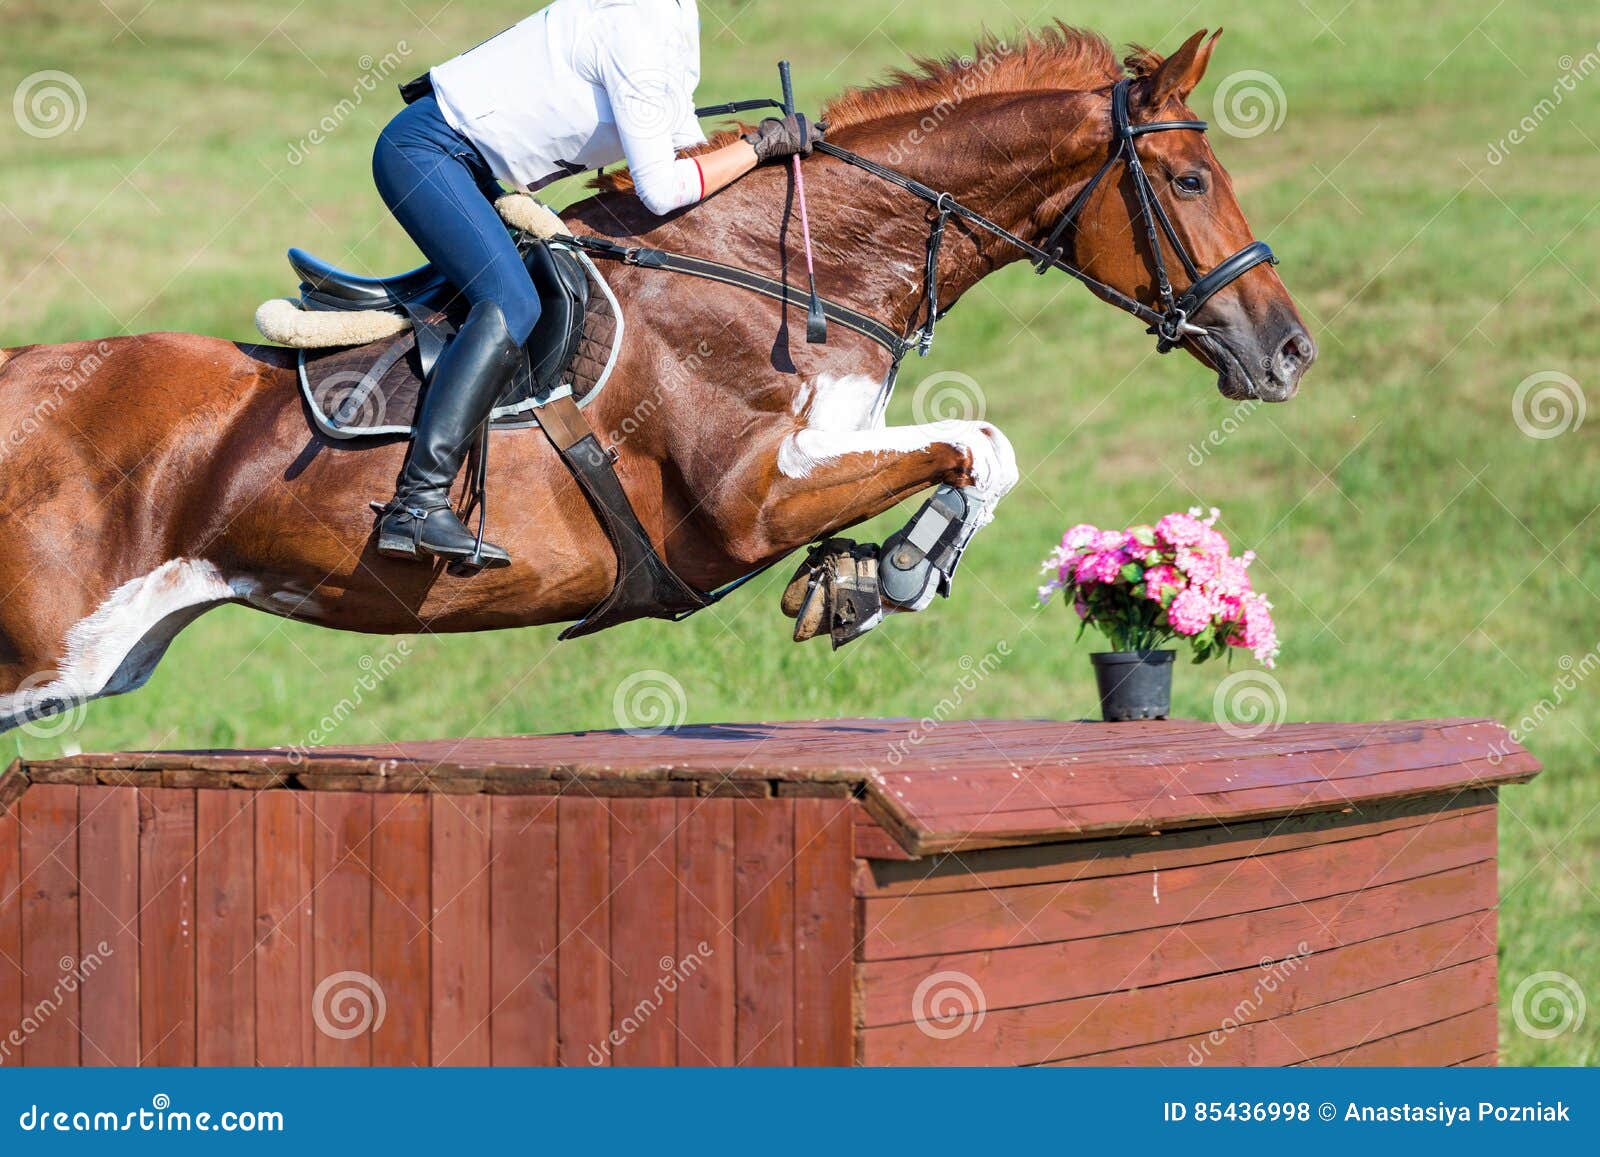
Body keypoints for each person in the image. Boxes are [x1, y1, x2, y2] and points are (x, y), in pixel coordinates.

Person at [371, 0, 822, 568]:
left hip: (467, 163)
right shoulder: (640, 26)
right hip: (428, 153)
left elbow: (683, 150)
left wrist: (760, 153)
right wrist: (759, 147)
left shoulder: (675, 19)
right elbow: (661, 189)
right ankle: (416, 504)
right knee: (511, 302)